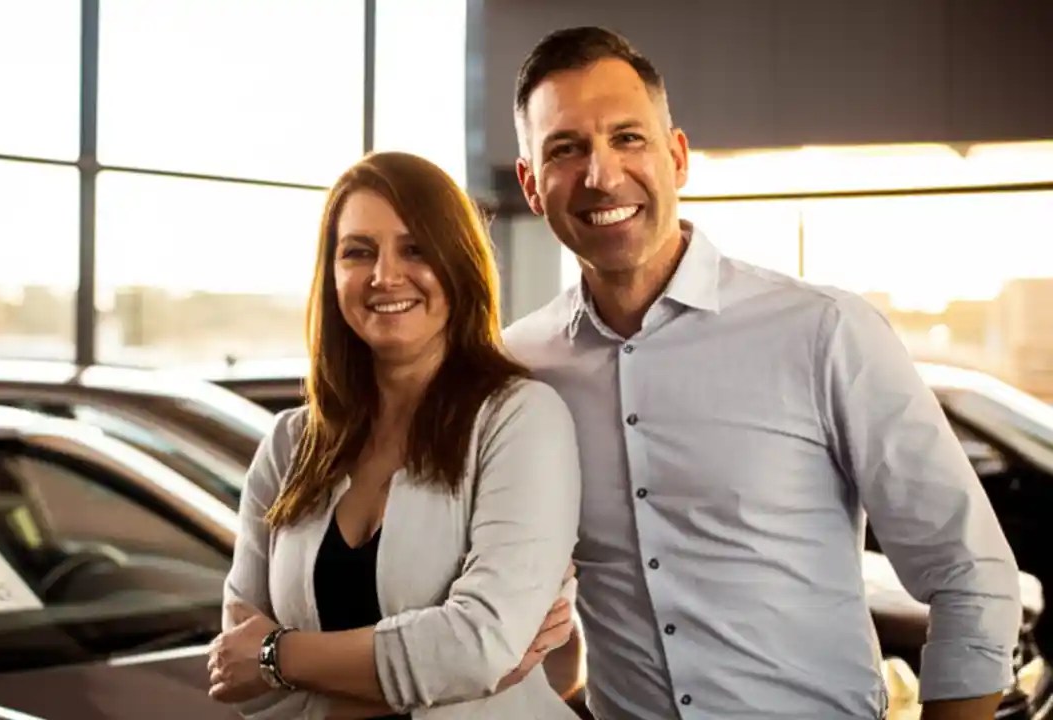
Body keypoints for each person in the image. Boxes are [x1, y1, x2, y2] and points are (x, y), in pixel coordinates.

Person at [503, 25, 1023, 720]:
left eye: (628, 138)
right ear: (532, 185)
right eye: (566, 149)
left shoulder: (823, 331)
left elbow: (971, 576)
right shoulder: (517, 368)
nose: (600, 175)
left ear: (677, 157)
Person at [206, 151, 585, 719]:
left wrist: (279, 654)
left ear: (458, 264)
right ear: (332, 274)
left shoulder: (520, 419)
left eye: (415, 249)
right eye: (358, 251)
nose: (385, 275)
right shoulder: (289, 445)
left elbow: (479, 647)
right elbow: (241, 673)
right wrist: (445, 667)